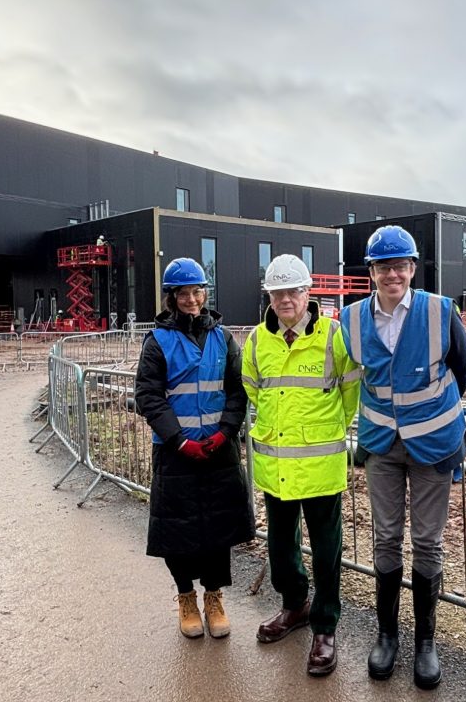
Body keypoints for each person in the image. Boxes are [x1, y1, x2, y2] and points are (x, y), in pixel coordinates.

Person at [339, 225, 466, 690]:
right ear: (371, 271)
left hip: (434, 443)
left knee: (429, 543)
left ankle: (426, 644)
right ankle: (387, 637)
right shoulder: (351, 318)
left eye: (400, 265)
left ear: (412, 268)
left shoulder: (440, 311)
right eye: (382, 266)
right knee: (386, 538)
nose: (392, 274)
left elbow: (464, 369)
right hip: (381, 444)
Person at [242, 254, 359, 677]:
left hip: (321, 467)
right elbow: (254, 390)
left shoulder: (333, 337)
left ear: (308, 293)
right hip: (276, 467)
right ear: (270, 297)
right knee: (280, 547)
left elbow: (350, 395)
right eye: (278, 293)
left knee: (328, 552)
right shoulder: (257, 341)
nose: (286, 299)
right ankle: (295, 606)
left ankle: (325, 627)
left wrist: (321, 432)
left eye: (293, 291)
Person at [135, 257, 255, 640]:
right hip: (176, 451)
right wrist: (180, 439)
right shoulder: (158, 342)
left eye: (197, 291)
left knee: (218, 527)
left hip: (218, 449)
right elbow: (148, 396)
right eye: (183, 293)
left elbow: (238, 391)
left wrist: (225, 433)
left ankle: (214, 596)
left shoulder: (223, 338)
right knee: (178, 528)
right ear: (172, 297)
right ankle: (186, 596)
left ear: (205, 293)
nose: (191, 299)